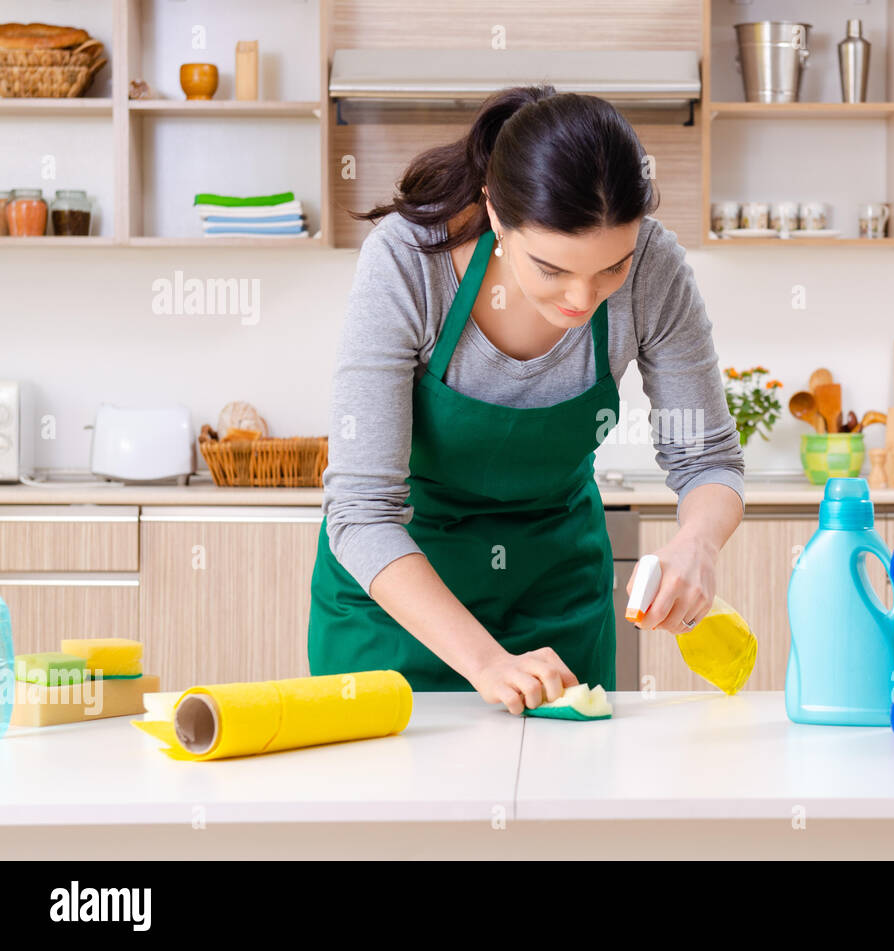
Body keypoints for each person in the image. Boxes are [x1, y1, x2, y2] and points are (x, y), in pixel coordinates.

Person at [307, 85, 744, 714]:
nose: (582, 299)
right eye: (551, 268)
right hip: (398, 602)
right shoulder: (408, 261)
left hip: (555, 593)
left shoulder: (655, 268)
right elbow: (362, 513)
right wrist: (485, 661)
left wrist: (697, 542)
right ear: (495, 215)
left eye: (610, 268)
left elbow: (707, 460)